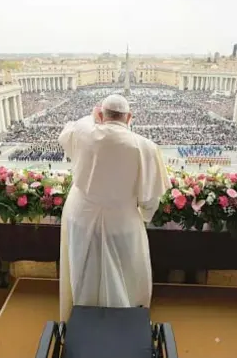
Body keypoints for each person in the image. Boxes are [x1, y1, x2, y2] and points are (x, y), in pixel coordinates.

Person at [57, 94, 171, 321]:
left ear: (100, 115)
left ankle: (82, 316)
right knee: (126, 273)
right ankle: (124, 319)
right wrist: (145, 216)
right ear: (129, 117)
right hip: (122, 220)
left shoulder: (84, 131)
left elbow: (67, 133)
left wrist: (93, 116)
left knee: (83, 269)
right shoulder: (145, 146)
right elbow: (150, 199)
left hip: (81, 216)